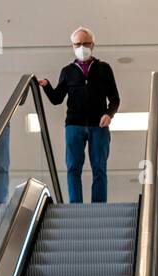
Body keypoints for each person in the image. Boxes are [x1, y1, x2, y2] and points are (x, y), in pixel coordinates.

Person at [38, 27, 120, 204]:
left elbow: (115, 98)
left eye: (85, 43)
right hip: (74, 125)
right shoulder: (67, 71)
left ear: (93, 45)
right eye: (77, 44)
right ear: (72, 46)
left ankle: (98, 206)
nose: (82, 47)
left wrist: (109, 114)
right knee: (73, 167)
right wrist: (46, 86)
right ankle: (76, 205)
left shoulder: (104, 69)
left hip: (99, 125)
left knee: (99, 168)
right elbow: (56, 99)